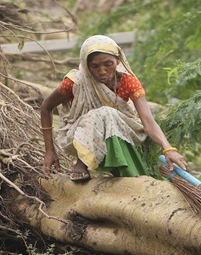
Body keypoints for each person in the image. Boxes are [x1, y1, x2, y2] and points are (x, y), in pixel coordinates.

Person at [40, 35, 189, 181]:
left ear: (117, 61)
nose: (102, 71)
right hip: (80, 135)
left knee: (107, 114)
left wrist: (168, 149)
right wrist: (49, 151)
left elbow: (148, 121)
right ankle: (82, 162)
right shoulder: (76, 82)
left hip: (122, 132)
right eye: (94, 66)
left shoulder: (128, 81)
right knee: (104, 113)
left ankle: (126, 173)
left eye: (108, 64)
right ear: (86, 66)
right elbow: (46, 107)